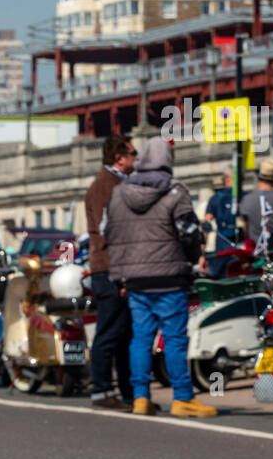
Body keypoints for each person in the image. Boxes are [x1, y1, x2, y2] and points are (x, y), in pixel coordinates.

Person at [104, 136, 217, 418]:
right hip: (169, 276)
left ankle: (141, 397)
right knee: (174, 338)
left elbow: (111, 236)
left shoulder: (119, 193)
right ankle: (182, 398)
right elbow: (189, 234)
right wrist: (193, 258)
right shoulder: (176, 192)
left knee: (141, 338)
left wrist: (119, 276)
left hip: (135, 278)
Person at [84, 134, 136, 411]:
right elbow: (109, 231)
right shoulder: (106, 186)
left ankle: (126, 391)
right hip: (109, 268)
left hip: (112, 267)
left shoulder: (116, 183)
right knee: (109, 332)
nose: (135, 159)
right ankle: (102, 390)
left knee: (123, 333)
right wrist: (122, 274)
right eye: (132, 153)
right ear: (119, 157)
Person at [204, 169, 238, 251]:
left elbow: (207, 222)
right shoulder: (242, 195)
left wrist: (202, 249)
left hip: (223, 243)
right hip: (241, 243)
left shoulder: (215, 198)